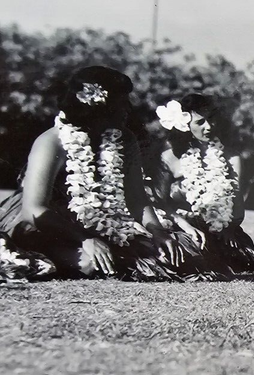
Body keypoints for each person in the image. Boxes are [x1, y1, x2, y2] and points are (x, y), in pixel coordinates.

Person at [0, 66, 209, 281]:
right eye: (122, 102)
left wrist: (158, 232)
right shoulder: (51, 141)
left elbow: (137, 199)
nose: (128, 109)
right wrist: (85, 239)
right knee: (92, 264)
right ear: (99, 106)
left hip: (103, 220)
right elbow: (34, 209)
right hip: (48, 224)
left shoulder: (125, 139)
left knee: (177, 251)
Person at [152, 93, 254, 274]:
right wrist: (186, 226)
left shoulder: (232, 157)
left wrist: (228, 228)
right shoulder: (169, 158)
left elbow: (237, 205)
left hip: (223, 231)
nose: (209, 127)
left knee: (239, 263)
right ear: (185, 125)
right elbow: (160, 203)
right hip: (183, 227)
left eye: (211, 119)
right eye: (200, 122)